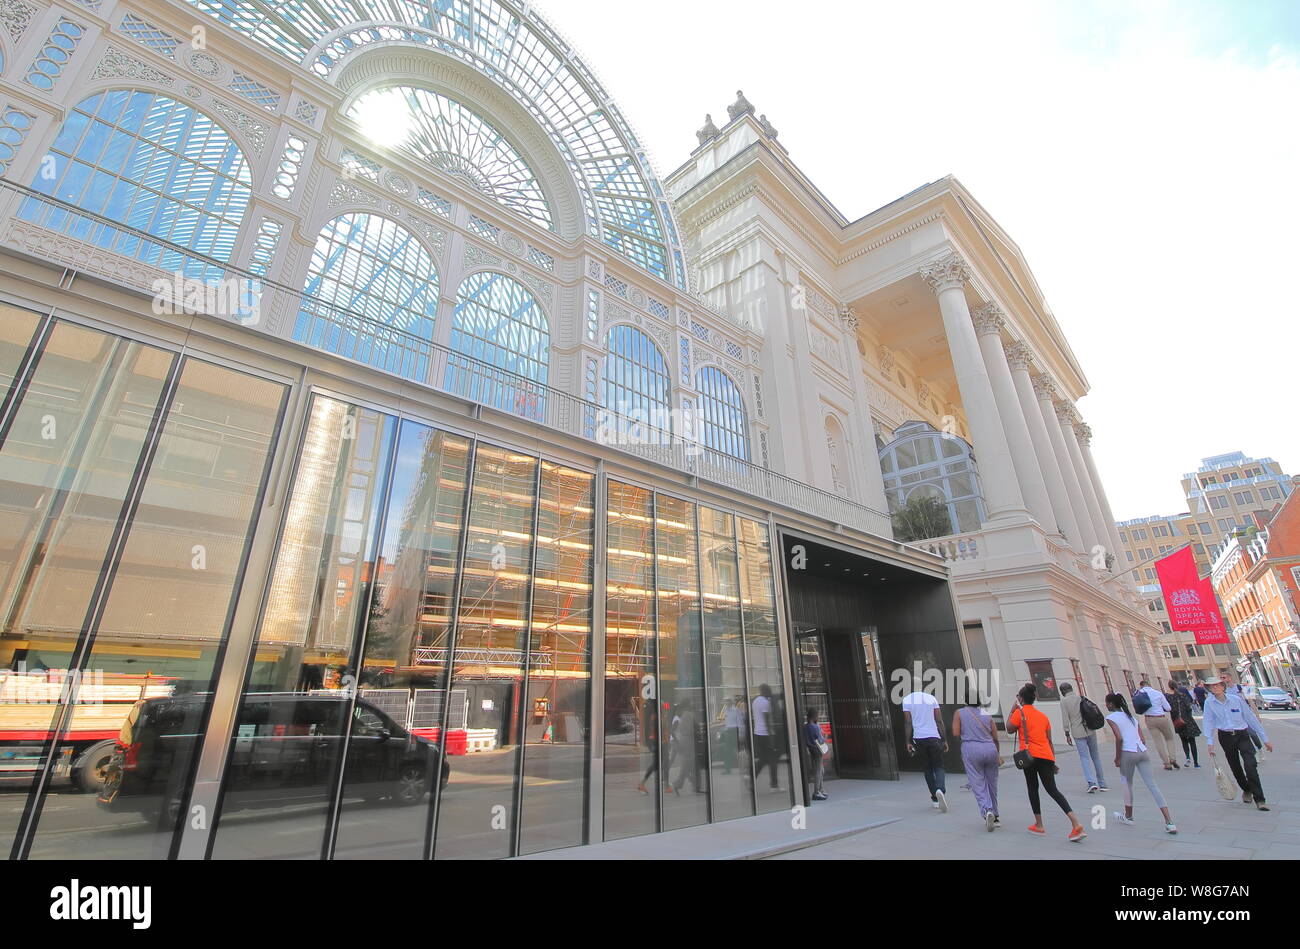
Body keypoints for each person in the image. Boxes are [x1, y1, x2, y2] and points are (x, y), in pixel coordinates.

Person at [1007, 683, 1086, 841]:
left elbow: (1009, 728)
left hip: (1029, 756)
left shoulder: (1019, 713)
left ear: (1021, 699)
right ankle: (1075, 822)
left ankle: (1039, 824)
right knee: (1052, 790)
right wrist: (1053, 761)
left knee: (1033, 788)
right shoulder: (1043, 717)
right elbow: (1049, 741)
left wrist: (1013, 710)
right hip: (1046, 756)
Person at [1105, 693, 1177, 833]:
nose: (1107, 705)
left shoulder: (1111, 717)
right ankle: (1169, 821)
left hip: (1128, 752)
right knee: (1152, 785)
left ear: (1111, 704)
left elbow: (1119, 738)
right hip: (1142, 751)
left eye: (1107, 703)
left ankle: (1129, 816)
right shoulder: (1131, 717)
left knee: (1127, 785)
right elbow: (1142, 738)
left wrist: (1117, 757)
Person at [1202, 676, 1272, 811]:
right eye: (1212, 686)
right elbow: (1208, 722)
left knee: (1250, 765)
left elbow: (1250, 718)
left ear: (1223, 686)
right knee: (1235, 766)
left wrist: (1265, 739)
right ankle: (1246, 789)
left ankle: (1260, 799)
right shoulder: (1209, 703)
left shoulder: (1236, 700)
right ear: (1209, 689)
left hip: (1242, 734)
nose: (1215, 687)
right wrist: (1210, 742)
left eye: (1218, 685)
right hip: (1226, 736)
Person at [952, 693, 1000, 831]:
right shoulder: (986, 713)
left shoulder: (959, 713)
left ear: (965, 700)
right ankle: (996, 815)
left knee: (978, 783)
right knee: (992, 783)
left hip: (971, 748)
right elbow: (995, 736)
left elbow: (955, 733)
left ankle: (987, 810)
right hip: (990, 748)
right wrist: (997, 753)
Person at [902, 679, 947, 812]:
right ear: (922, 686)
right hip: (933, 737)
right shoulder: (931, 698)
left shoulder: (907, 700)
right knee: (938, 765)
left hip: (919, 738)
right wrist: (944, 739)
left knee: (927, 768)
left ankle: (934, 798)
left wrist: (908, 742)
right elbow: (939, 720)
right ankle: (940, 789)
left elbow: (908, 722)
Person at [1059, 682, 1109, 793]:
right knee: (1096, 757)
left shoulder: (1064, 701)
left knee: (1084, 757)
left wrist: (1067, 733)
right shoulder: (1081, 698)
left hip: (1078, 732)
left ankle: (1091, 782)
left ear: (1063, 691)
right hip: (1090, 729)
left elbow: (1065, 719)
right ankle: (1102, 783)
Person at [1135, 679, 1179, 770]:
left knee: (1158, 741)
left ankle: (1166, 763)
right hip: (1161, 717)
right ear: (1149, 684)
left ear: (1141, 686)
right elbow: (1168, 708)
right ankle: (1173, 758)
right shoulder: (1158, 693)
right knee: (1169, 738)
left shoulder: (1139, 693)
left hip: (1149, 719)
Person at [1167, 679, 1202, 768]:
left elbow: (1167, 708)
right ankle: (1196, 762)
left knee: (1184, 740)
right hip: (1187, 720)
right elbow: (1188, 707)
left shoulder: (1168, 697)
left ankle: (1187, 757)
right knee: (1192, 741)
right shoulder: (1182, 695)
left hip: (1177, 721)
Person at [751, 684, 780, 791]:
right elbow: (767, 721)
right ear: (765, 691)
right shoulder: (765, 702)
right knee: (773, 760)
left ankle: (751, 775)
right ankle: (774, 785)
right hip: (766, 734)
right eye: (769, 690)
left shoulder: (755, 701)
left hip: (757, 733)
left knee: (763, 759)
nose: (770, 692)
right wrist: (771, 737)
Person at [803, 708, 827, 801]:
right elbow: (820, 740)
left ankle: (820, 789)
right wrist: (824, 737)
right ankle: (817, 792)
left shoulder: (806, 726)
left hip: (811, 749)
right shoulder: (815, 727)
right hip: (817, 750)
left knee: (820, 770)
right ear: (815, 716)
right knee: (818, 771)